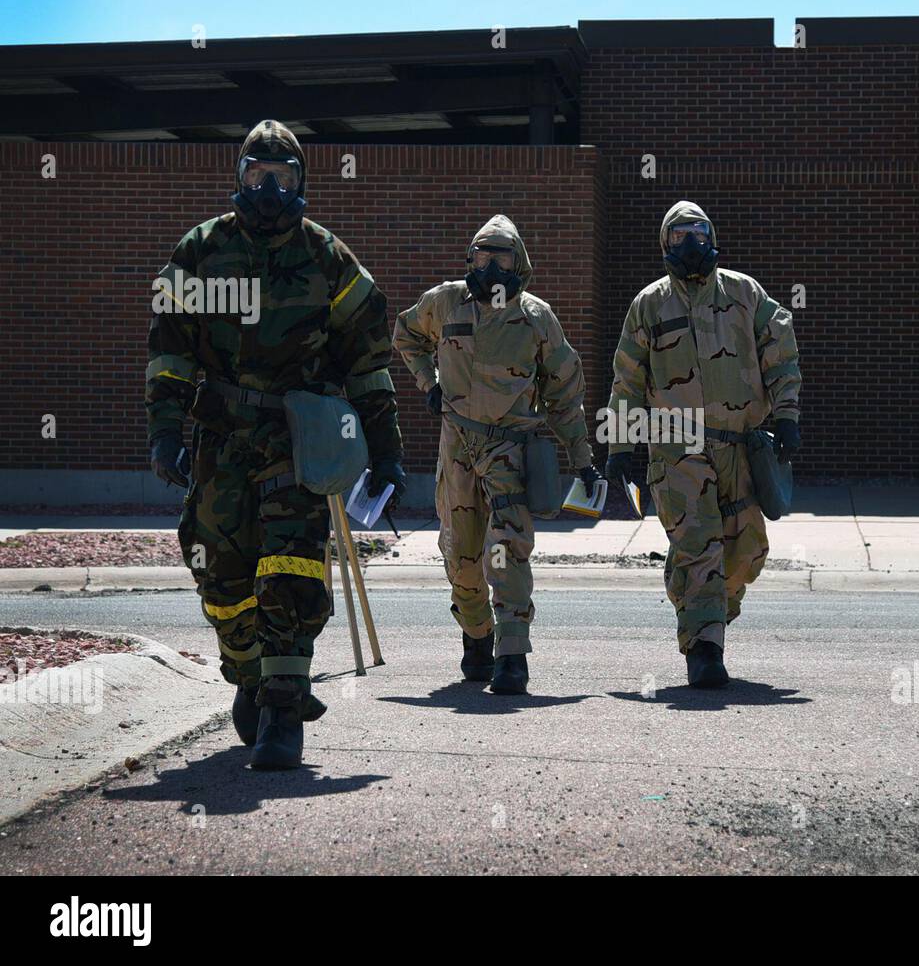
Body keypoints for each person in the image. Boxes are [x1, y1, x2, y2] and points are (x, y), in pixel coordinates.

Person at [146, 119, 405, 769]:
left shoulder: (326, 256)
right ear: (239, 179)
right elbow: (170, 351)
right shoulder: (201, 252)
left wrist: (386, 448)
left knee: (290, 563)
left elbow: (369, 359)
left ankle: (284, 707)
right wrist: (164, 431)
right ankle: (249, 673)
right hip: (220, 435)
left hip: (298, 436)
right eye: (257, 177)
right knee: (216, 565)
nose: (268, 190)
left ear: (301, 183)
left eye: (282, 178)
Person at [393, 215, 597, 695]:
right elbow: (404, 336)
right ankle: (477, 636)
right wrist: (430, 382)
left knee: (506, 552)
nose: (489, 268)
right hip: (458, 447)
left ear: (518, 263)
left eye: (500, 259)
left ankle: (512, 654)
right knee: (461, 557)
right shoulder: (444, 303)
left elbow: (565, 391)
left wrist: (583, 457)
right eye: (481, 258)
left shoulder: (536, 317)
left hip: (511, 448)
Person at [605, 201, 801, 688]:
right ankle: (705, 649)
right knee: (698, 544)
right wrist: (619, 445)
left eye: (698, 233)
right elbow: (627, 379)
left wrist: (788, 414)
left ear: (712, 236)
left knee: (748, 549)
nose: (690, 244)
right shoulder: (649, 304)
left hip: (739, 446)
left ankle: (706, 612)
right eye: (678, 236)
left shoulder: (744, 294)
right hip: (676, 448)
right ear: (664, 245)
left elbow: (781, 353)